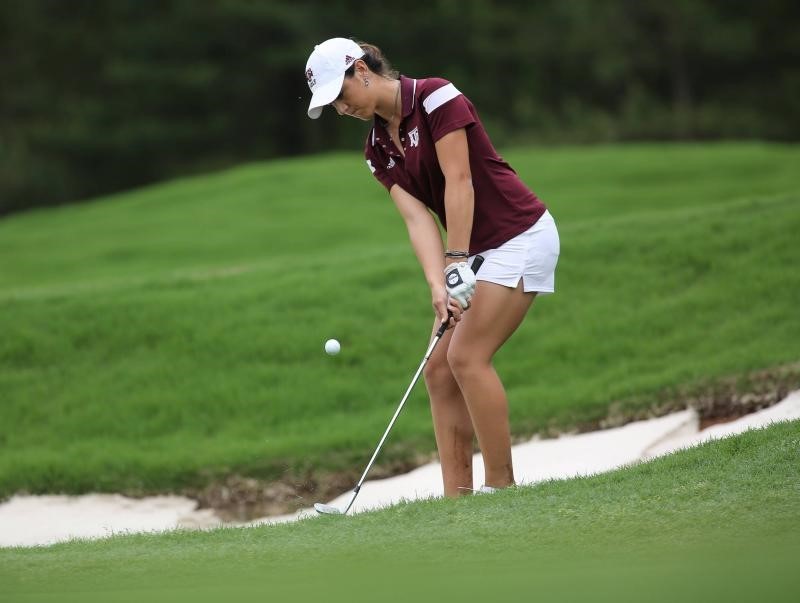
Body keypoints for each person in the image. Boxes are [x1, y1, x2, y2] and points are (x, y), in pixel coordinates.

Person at [304, 38, 560, 496]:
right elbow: (418, 216)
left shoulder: (437, 97)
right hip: (475, 250)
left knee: (466, 356)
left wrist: (457, 260)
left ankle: (502, 489)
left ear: (361, 69)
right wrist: (438, 283)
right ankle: (456, 501)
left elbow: (460, 183)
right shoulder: (376, 148)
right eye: (332, 105)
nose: (342, 108)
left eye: (341, 95)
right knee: (438, 370)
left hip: (520, 236)